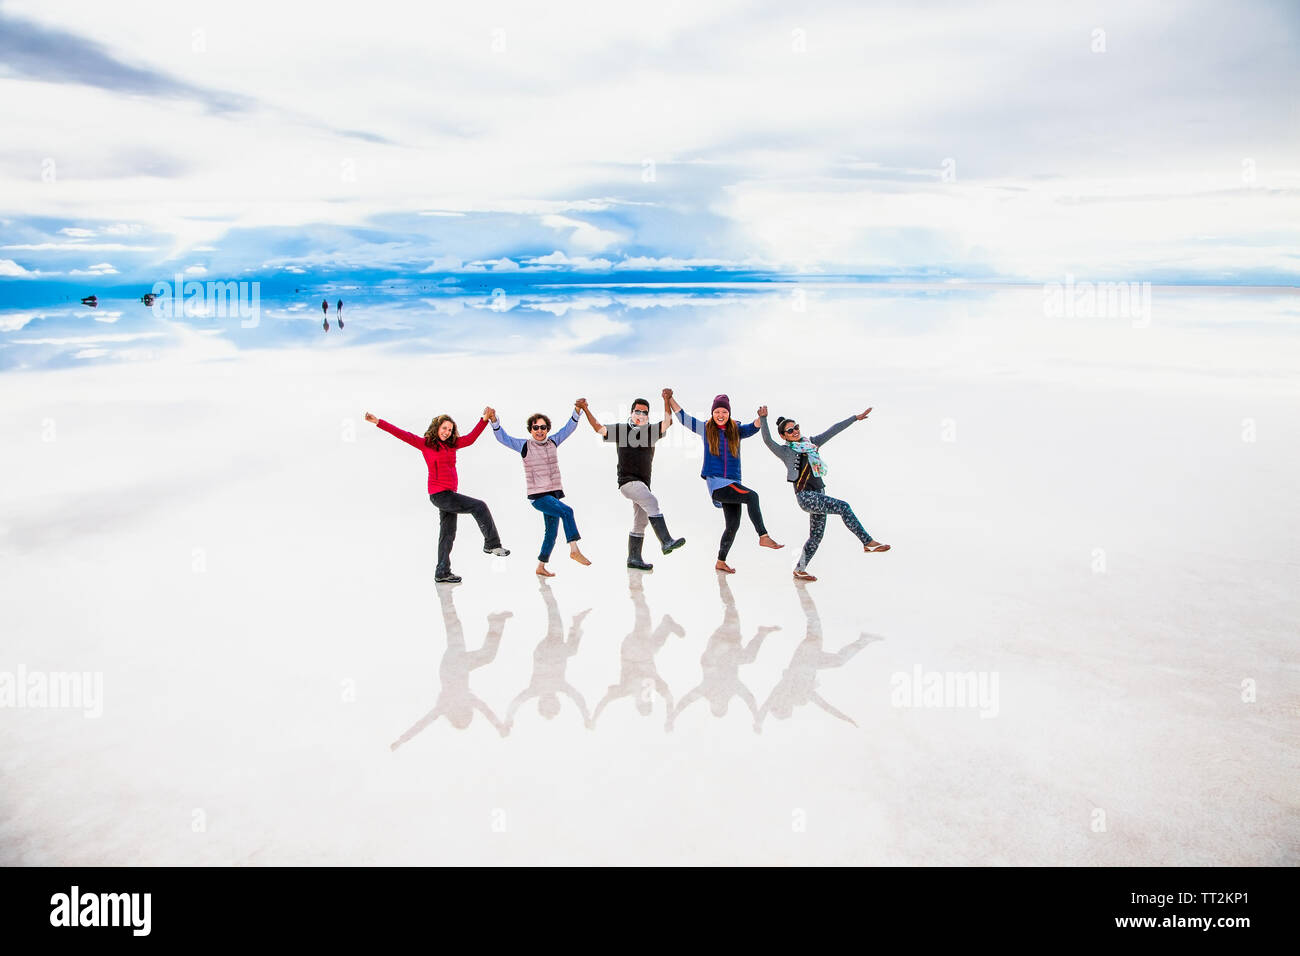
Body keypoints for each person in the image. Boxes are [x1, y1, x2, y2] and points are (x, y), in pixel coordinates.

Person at [365, 406, 509, 583]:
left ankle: (442, 572)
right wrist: (378, 422)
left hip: (449, 494)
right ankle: (492, 544)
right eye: (444, 428)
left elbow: (471, 439)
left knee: (448, 533)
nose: (447, 432)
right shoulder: (426, 444)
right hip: (439, 495)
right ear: (437, 428)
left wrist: (484, 419)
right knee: (479, 506)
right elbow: (401, 433)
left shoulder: (453, 445)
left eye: (450, 430)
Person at [760, 407, 889, 581]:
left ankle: (799, 569)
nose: (795, 431)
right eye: (790, 430)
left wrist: (855, 418)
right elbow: (768, 440)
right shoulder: (785, 452)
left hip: (819, 493)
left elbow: (833, 430)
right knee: (844, 507)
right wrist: (763, 418)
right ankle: (868, 542)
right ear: (783, 436)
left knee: (816, 536)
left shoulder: (812, 443)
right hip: (805, 496)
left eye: (796, 427)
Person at [665, 389, 781, 573]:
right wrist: (670, 399)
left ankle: (721, 561)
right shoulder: (706, 428)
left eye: (724, 412)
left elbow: (754, 427)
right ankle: (763, 535)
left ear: (729, 414)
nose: (720, 415)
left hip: (733, 483)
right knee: (752, 497)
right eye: (717, 412)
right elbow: (683, 417)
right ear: (712, 413)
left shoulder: (736, 431)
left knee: (732, 525)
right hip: (718, 485)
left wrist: (762, 417)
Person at [576, 391, 685, 571]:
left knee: (640, 521)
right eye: (637, 411)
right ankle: (666, 541)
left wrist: (666, 400)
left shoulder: (651, 431)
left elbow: (668, 422)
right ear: (631, 413)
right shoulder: (620, 430)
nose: (640, 415)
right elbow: (599, 428)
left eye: (644, 413)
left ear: (647, 416)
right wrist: (586, 409)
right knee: (652, 502)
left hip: (643, 484)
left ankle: (634, 558)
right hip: (627, 482)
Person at [489, 402, 591, 576]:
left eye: (543, 427)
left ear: (547, 429)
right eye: (536, 427)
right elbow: (503, 438)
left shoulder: (553, 442)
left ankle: (541, 566)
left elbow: (568, 429)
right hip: (538, 497)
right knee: (567, 512)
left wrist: (577, 411)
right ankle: (574, 549)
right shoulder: (524, 446)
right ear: (531, 429)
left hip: (553, 495)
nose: (539, 430)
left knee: (551, 532)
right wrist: (494, 421)